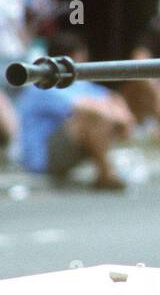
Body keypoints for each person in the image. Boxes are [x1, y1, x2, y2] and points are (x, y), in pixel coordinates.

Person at [15, 32, 134, 190]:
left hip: (67, 149)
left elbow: (113, 99)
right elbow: (87, 109)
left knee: (100, 116)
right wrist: (116, 116)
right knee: (89, 118)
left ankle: (107, 172)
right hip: (42, 157)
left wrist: (119, 116)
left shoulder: (79, 83)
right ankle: (107, 174)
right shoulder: (43, 84)